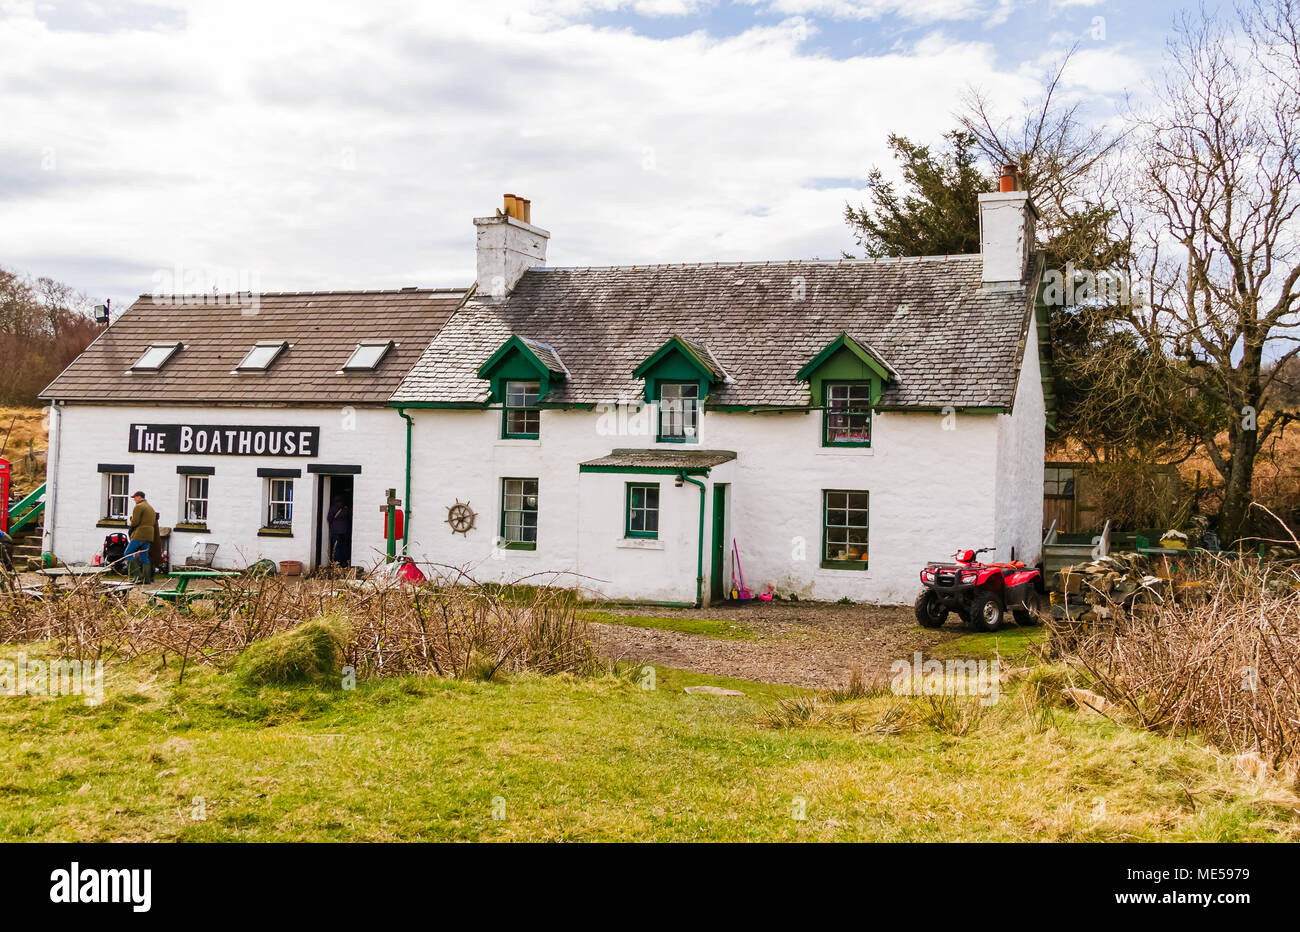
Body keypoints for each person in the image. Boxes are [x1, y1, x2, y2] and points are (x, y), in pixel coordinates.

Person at [125, 491, 157, 583]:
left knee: (128, 553)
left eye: (135, 497)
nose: (134, 499)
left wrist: (130, 528)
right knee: (144, 556)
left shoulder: (139, 506)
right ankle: (146, 579)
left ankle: (138, 576)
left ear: (140, 497)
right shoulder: (150, 507)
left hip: (140, 533)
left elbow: (135, 521)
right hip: (149, 534)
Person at [327, 494, 352, 567]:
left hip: (335, 530)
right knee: (344, 546)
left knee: (336, 547)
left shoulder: (333, 508)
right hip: (345, 530)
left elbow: (329, 518)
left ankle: (337, 562)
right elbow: (350, 518)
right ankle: (344, 561)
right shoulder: (346, 508)